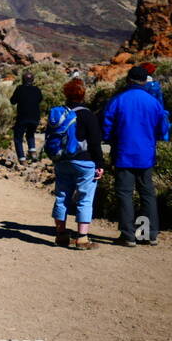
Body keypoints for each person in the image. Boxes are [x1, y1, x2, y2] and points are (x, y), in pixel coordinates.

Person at [102, 64, 171, 247]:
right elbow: (162, 128)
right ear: (144, 80)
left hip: (123, 153)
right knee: (147, 194)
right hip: (146, 154)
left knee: (124, 194)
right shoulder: (153, 102)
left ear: (129, 80)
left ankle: (128, 235)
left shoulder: (118, 100)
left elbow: (107, 127)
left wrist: (110, 141)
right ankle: (148, 234)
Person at [48, 79, 104, 250]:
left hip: (62, 161)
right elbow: (95, 143)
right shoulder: (88, 115)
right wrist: (100, 164)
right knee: (84, 199)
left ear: (66, 94)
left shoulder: (58, 113)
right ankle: (82, 238)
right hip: (84, 162)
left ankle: (61, 234)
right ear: (83, 94)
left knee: (62, 196)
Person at [12, 71, 43, 162]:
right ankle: (32, 150)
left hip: (22, 117)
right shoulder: (37, 89)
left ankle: (22, 159)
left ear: (22, 80)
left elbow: (13, 101)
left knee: (18, 137)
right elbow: (40, 99)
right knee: (30, 134)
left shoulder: (19, 89)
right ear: (32, 80)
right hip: (35, 117)